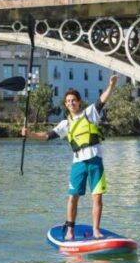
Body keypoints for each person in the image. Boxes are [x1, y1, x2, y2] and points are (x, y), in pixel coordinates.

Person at [22, 75, 118, 240]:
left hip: (95, 161)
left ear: (79, 102)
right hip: (78, 163)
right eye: (68, 101)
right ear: (66, 105)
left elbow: (101, 100)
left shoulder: (89, 114)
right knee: (73, 197)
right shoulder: (65, 124)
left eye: (73, 100)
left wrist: (111, 85)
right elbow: (46, 136)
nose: (71, 103)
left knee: (97, 197)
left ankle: (96, 230)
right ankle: (70, 230)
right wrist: (29, 134)